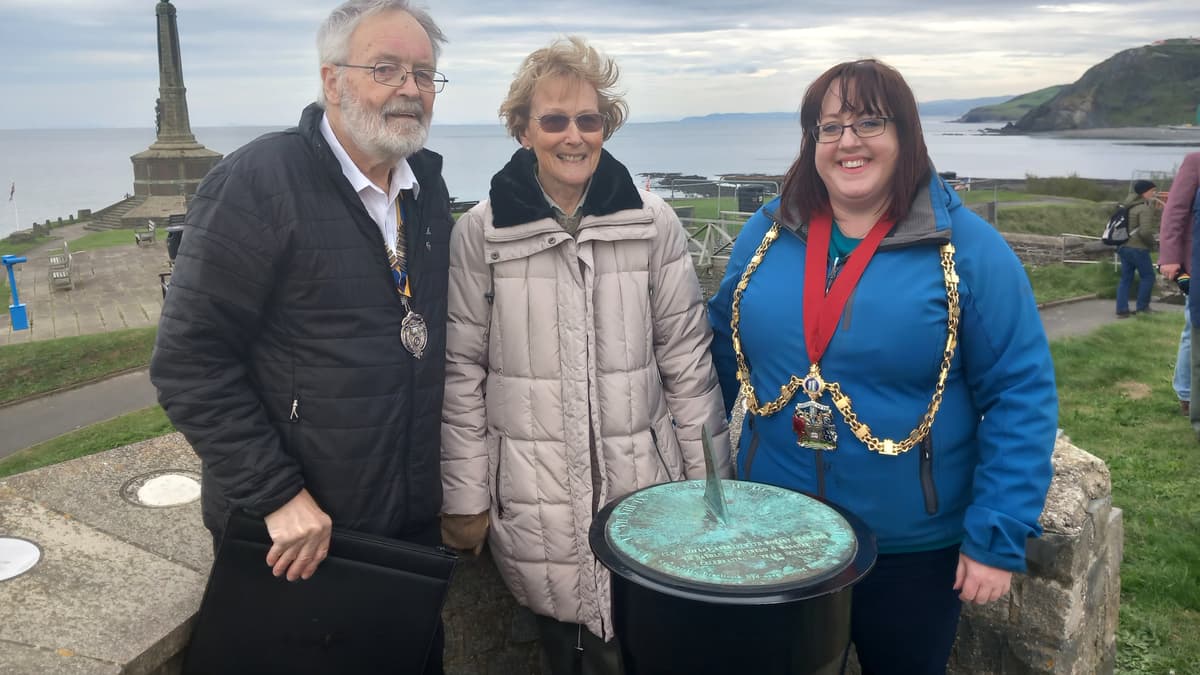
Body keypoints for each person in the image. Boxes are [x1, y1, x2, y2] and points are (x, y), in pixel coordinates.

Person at [708, 59, 1058, 674]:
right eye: (829, 126)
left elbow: (1019, 392)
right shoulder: (765, 232)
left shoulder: (969, 250)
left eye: (870, 122)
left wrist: (997, 535)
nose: (848, 141)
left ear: (906, 136)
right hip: (774, 529)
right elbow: (714, 348)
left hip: (911, 550)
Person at [149, 1, 452, 670]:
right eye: (386, 68)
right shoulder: (258, 182)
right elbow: (187, 361)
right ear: (332, 79)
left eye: (425, 74)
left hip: (406, 530)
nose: (410, 88)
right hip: (299, 542)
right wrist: (278, 494)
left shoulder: (425, 186)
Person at [439, 36, 731, 675]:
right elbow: (462, 373)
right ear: (523, 130)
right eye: (554, 120)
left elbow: (686, 364)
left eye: (589, 120)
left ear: (607, 127)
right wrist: (465, 498)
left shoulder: (654, 224)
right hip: (533, 503)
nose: (573, 136)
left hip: (648, 497)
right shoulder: (479, 234)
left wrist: (712, 488)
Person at [1158, 152, 1200, 421]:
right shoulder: (1195, 161)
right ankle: (1186, 393)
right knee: (1192, 328)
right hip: (1195, 262)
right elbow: (1175, 210)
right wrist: (1170, 257)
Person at [1114, 179, 1160, 317]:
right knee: (1148, 277)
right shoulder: (1143, 208)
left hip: (1123, 246)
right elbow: (1145, 232)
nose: (1154, 193)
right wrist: (1153, 244)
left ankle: (1122, 309)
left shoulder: (1127, 206)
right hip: (1137, 248)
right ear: (1144, 192)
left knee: (1126, 278)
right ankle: (1142, 308)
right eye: (1152, 191)